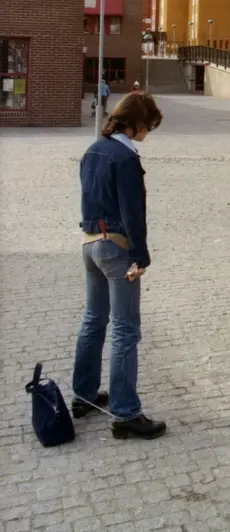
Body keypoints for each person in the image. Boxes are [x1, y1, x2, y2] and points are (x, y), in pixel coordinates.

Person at [72, 93, 166, 440]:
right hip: (116, 247)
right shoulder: (126, 157)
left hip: (89, 242)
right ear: (136, 122)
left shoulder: (93, 149)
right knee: (126, 329)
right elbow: (132, 212)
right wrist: (140, 255)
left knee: (93, 320)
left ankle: (83, 395)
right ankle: (125, 413)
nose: (148, 132)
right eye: (148, 126)